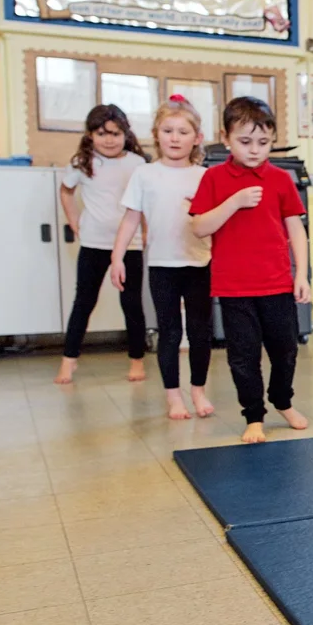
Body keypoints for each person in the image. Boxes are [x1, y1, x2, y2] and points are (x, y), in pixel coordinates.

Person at [189, 97, 311, 444]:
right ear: (226, 138)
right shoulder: (213, 178)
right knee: (243, 357)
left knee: (286, 350)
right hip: (234, 289)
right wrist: (234, 202)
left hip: (277, 284)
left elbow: (295, 229)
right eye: (245, 142)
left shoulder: (281, 178)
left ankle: (283, 401)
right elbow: (199, 227)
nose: (255, 150)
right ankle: (254, 415)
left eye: (263, 142)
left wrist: (300, 274)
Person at [109, 95, 215, 421]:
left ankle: (197, 390)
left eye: (183, 132)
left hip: (199, 263)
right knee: (169, 331)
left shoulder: (205, 176)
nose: (174, 138)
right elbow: (130, 219)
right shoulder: (144, 174)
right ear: (157, 134)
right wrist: (117, 257)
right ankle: (173, 396)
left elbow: (217, 219)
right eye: (167, 130)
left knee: (200, 331)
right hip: (162, 265)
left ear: (196, 138)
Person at [55, 104, 150, 384]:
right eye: (102, 133)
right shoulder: (82, 162)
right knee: (83, 301)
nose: (109, 140)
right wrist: (75, 221)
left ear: (125, 134)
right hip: (94, 243)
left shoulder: (137, 163)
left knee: (131, 303)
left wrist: (145, 231)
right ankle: (68, 361)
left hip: (129, 245)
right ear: (90, 135)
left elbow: (145, 202)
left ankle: (136, 360)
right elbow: (66, 190)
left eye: (116, 133)